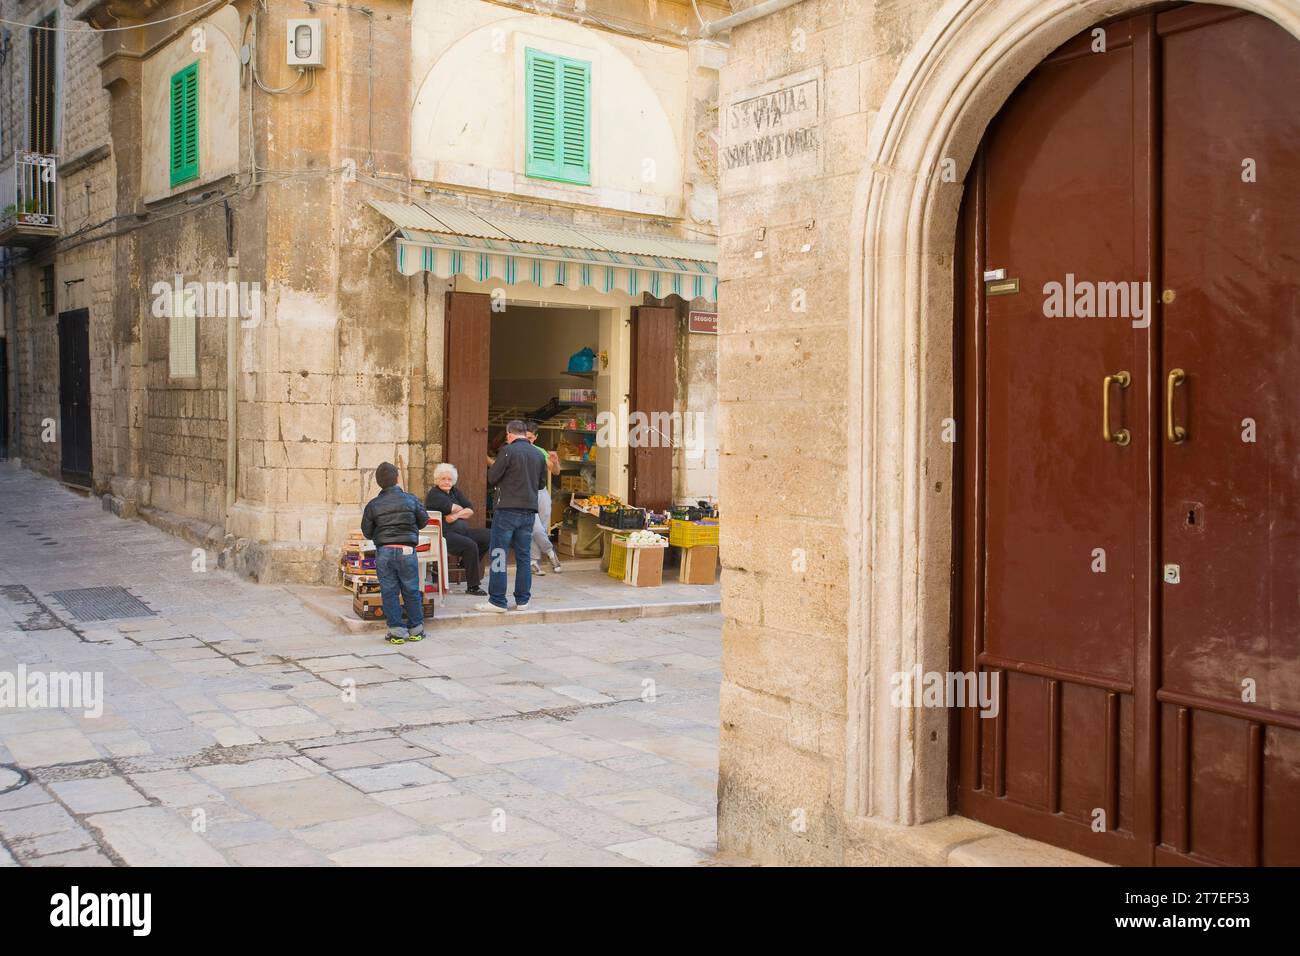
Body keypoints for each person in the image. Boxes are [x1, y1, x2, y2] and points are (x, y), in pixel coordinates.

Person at [478, 419, 544, 613]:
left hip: (506, 510)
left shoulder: (507, 451)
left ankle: (497, 601)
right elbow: (540, 485)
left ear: (509, 435)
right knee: (524, 556)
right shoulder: (538, 453)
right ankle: (523, 600)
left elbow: (492, 477)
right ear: (525, 433)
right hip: (529, 512)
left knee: (499, 554)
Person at [360, 461, 429, 645]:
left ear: (378, 482)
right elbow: (423, 521)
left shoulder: (373, 505)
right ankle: (416, 629)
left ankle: (397, 632)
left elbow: (366, 531)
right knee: (411, 589)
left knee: (389, 592)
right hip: (407, 551)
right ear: (397, 478)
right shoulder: (411, 499)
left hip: (384, 552)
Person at [424, 462, 491, 596]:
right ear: (437, 480)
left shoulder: (455, 491)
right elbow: (457, 507)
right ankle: (473, 587)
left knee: (488, 535)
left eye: (449, 479)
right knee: (470, 545)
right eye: (443, 479)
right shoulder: (434, 495)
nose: (447, 482)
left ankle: (464, 563)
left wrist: (456, 516)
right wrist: (460, 510)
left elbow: (470, 509)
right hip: (444, 535)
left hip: (461, 532)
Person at [524, 421, 563, 576]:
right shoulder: (516, 449)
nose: (528, 440)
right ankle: (552, 554)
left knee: (542, 528)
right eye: (525, 437)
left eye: (531, 437)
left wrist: (555, 462)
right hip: (526, 494)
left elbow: (556, 472)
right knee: (536, 528)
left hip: (541, 492)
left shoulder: (539, 451)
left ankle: (533, 561)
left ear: (536, 437)